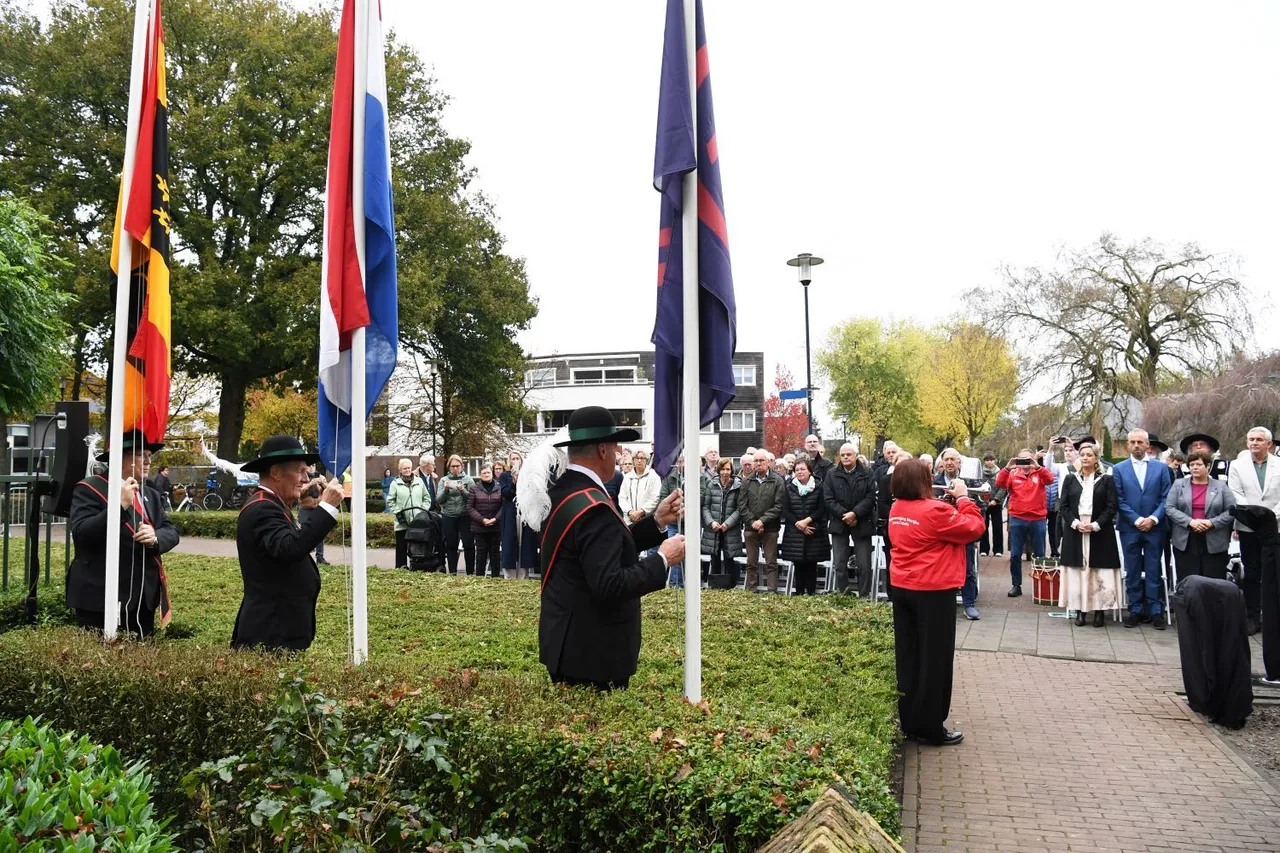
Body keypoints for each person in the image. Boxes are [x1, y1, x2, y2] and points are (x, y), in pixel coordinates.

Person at [520, 406, 685, 690]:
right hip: (594, 656)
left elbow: (599, 549)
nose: (620, 452)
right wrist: (662, 559)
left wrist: (655, 521)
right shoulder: (594, 506)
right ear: (602, 450)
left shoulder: (563, 492)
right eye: (615, 445)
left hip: (567, 645)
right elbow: (610, 584)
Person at [887, 459, 984, 747]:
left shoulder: (896, 509)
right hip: (933, 589)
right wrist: (964, 498)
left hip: (903, 586)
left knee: (909, 656)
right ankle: (931, 726)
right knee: (935, 659)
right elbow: (974, 528)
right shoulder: (935, 510)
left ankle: (910, 721)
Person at [231, 436, 343, 652]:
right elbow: (290, 548)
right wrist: (327, 508)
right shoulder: (262, 508)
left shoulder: (274, 504)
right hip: (270, 632)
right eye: (300, 471)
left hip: (280, 630)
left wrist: (305, 507)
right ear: (275, 472)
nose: (306, 478)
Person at [67, 434, 180, 637]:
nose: (148, 461)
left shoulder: (150, 493)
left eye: (149, 455)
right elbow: (83, 534)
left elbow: (170, 530)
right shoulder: (89, 488)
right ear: (119, 457)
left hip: (143, 597)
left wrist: (155, 537)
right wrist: (119, 507)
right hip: (101, 597)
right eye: (140, 455)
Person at [1113, 429, 1174, 630]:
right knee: (1132, 569)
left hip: (1155, 527)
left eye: (1140, 442)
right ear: (1128, 445)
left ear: (1148, 445)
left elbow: (1167, 497)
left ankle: (1156, 610)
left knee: (1154, 568)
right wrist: (1137, 519)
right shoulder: (1119, 469)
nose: (1136, 445)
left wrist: (1154, 518)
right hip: (1130, 527)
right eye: (1133, 442)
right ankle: (1136, 609)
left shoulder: (1161, 468)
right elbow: (1118, 499)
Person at [1057, 443, 1123, 628]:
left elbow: (1111, 506)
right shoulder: (1071, 480)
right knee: (1079, 570)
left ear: (1096, 459)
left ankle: (1100, 611)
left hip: (1099, 531)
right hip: (1075, 530)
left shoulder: (1106, 480)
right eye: (1083, 455)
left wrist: (1095, 525)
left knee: (1098, 570)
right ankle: (1080, 610)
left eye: (1089, 455)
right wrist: (1075, 523)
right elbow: (1064, 506)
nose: (1085, 458)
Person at [1228, 427, 1280, 634]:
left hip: (1275, 526)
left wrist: (1267, 516)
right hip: (1248, 526)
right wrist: (1252, 515)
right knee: (1251, 573)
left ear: (1269, 444)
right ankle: (1252, 616)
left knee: (1274, 573)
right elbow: (1235, 494)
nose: (1254, 443)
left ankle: (1272, 618)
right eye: (1251, 439)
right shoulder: (1237, 466)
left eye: (1259, 439)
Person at [1166, 449, 1237, 581]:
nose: (1195, 467)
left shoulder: (1221, 486)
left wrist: (1212, 523)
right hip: (1185, 540)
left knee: (1213, 581)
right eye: (1192, 465)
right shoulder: (1178, 485)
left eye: (1198, 464)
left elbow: (1231, 510)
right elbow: (1169, 508)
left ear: (1208, 466)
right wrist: (1190, 522)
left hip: (1214, 539)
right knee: (1188, 580)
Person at [995, 448, 1055, 597]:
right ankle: (1016, 585)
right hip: (1017, 518)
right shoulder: (1013, 474)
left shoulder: (1039, 473)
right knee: (1015, 554)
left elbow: (1050, 480)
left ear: (1032, 459)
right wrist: (1007, 468)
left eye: (1028, 459)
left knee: (1040, 554)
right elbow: (1000, 483)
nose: (1025, 463)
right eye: (1021, 459)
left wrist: (1038, 466)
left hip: (1038, 518)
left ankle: (1041, 586)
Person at [823, 442, 878, 597]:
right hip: (839, 522)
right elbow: (828, 498)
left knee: (864, 565)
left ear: (856, 455)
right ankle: (843, 595)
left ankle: (864, 596)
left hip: (862, 521)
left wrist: (855, 514)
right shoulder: (831, 474)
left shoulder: (867, 473)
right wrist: (845, 515)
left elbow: (870, 496)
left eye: (849, 454)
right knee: (840, 563)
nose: (845, 457)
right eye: (843, 455)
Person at [935, 448, 982, 620]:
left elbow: (979, 505)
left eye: (953, 460)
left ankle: (969, 604)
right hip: (943, 532)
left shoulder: (970, 482)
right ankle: (942, 604)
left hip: (962, 530)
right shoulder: (935, 482)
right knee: (941, 568)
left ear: (959, 463)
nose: (949, 463)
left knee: (968, 568)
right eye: (946, 459)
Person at [741, 448, 786, 591]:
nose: (758, 463)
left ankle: (772, 592)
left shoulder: (777, 481)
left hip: (770, 528)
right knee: (751, 563)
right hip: (750, 528)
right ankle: (751, 591)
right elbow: (741, 505)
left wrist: (762, 521)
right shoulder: (747, 481)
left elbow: (779, 506)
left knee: (771, 562)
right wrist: (753, 522)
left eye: (762, 460)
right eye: (756, 461)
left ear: (768, 463)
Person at [783, 458, 829, 595]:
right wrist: (799, 524)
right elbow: (786, 510)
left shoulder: (819, 486)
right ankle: (799, 593)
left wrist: (807, 521)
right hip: (795, 531)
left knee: (811, 564)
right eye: (797, 469)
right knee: (798, 564)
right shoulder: (789, 487)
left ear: (809, 471)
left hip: (813, 530)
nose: (799, 472)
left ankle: (811, 593)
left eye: (802, 469)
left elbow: (822, 508)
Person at [702, 457, 744, 586]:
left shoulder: (738, 486)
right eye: (723, 469)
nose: (725, 472)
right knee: (714, 558)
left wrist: (728, 523)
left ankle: (730, 586)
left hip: (730, 529)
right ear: (719, 470)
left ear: (731, 471)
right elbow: (705, 506)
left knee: (729, 559)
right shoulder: (711, 484)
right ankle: (715, 587)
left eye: (728, 469)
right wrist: (711, 522)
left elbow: (739, 508)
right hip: (714, 529)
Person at [385, 458, 429, 570]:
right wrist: (398, 512)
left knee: (418, 545)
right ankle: (401, 568)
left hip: (418, 520)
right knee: (401, 546)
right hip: (402, 521)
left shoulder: (419, 481)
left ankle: (417, 567)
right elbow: (390, 500)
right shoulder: (395, 483)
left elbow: (427, 498)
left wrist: (422, 510)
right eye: (405, 468)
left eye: (409, 468)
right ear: (400, 470)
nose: (407, 470)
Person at [438, 455, 474, 575]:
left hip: (465, 516)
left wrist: (463, 491)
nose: (455, 469)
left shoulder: (468, 480)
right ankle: (452, 572)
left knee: (468, 544)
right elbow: (439, 500)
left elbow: (473, 499)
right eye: (453, 466)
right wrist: (446, 490)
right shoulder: (443, 480)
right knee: (451, 544)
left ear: (462, 466)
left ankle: (470, 572)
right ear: (449, 467)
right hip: (449, 515)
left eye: (457, 466)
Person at [467, 463, 503, 578]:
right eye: (484, 473)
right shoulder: (474, 488)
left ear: (492, 473)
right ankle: (479, 579)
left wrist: (495, 519)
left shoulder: (499, 487)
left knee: (495, 554)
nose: (486, 475)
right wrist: (482, 520)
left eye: (488, 472)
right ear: (480, 475)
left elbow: (503, 506)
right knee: (481, 555)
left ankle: (495, 579)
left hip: (495, 526)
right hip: (479, 527)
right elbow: (469, 507)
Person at [659, 454, 687, 587]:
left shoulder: (699, 477)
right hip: (673, 523)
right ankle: (677, 584)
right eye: (679, 462)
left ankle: (691, 584)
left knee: (690, 554)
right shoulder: (669, 478)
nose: (682, 464)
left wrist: (687, 510)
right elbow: (664, 496)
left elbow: (701, 496)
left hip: (691, 523)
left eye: (684, 461)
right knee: (675, 552)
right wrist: (675, 509)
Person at [619, 449, 662, 527]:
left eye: (642, 458)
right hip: (629, 520)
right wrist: (630, 512)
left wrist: (641, 512)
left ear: (647, 460)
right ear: (633, 460)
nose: (639, 460)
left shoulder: (654, 477)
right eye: (636, 458)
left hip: (647, 520)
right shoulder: (627, 477)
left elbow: (655, 497)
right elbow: (622, 497)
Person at [299, 465, 331, 566]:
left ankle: (320, 557)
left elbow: (329, 490)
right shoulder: (302, 478)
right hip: (305, 508)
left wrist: (322, 483)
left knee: (319, 532)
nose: (311, 467)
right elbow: (300, 493)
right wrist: (309, 485)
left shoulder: (321, 477)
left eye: (313, 465)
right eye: (309, 466)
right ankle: (304, 557)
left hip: (318, 508)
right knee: (305, 532)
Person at [978, 452, 1005, 557]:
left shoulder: (1000, 472)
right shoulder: (979, 472)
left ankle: (998, 549)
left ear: (995, 460)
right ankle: (984, 549)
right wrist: (983, 500)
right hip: (983, 503)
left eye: (991, 459)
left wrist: (996, 500)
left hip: (996, 503)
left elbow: (1003, 487)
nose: (989, 462)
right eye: (987, 460)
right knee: (983, 526)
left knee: (997, 526)